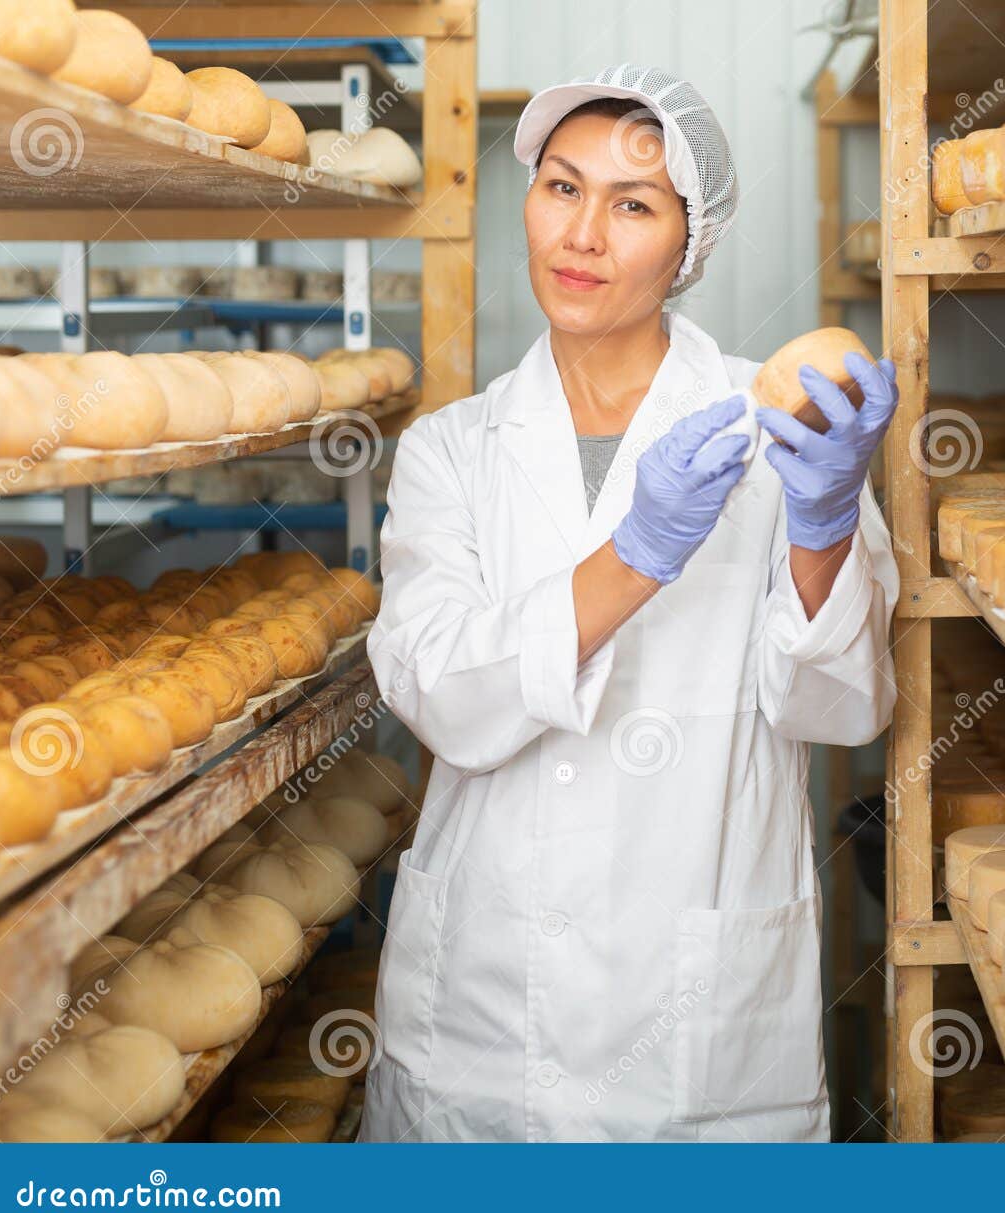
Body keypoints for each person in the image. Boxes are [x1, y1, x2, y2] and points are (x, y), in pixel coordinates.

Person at [360, 66, 900, 1142]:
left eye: (634, 204)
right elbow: (439, 696)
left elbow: (840, 711)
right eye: (562, 187)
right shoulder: (452, 450)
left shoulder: (777, 427)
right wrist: (638, 556)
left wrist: (827, 519)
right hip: (482, 1003)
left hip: (692, 1015)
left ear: (688, 245)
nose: (585, 234)